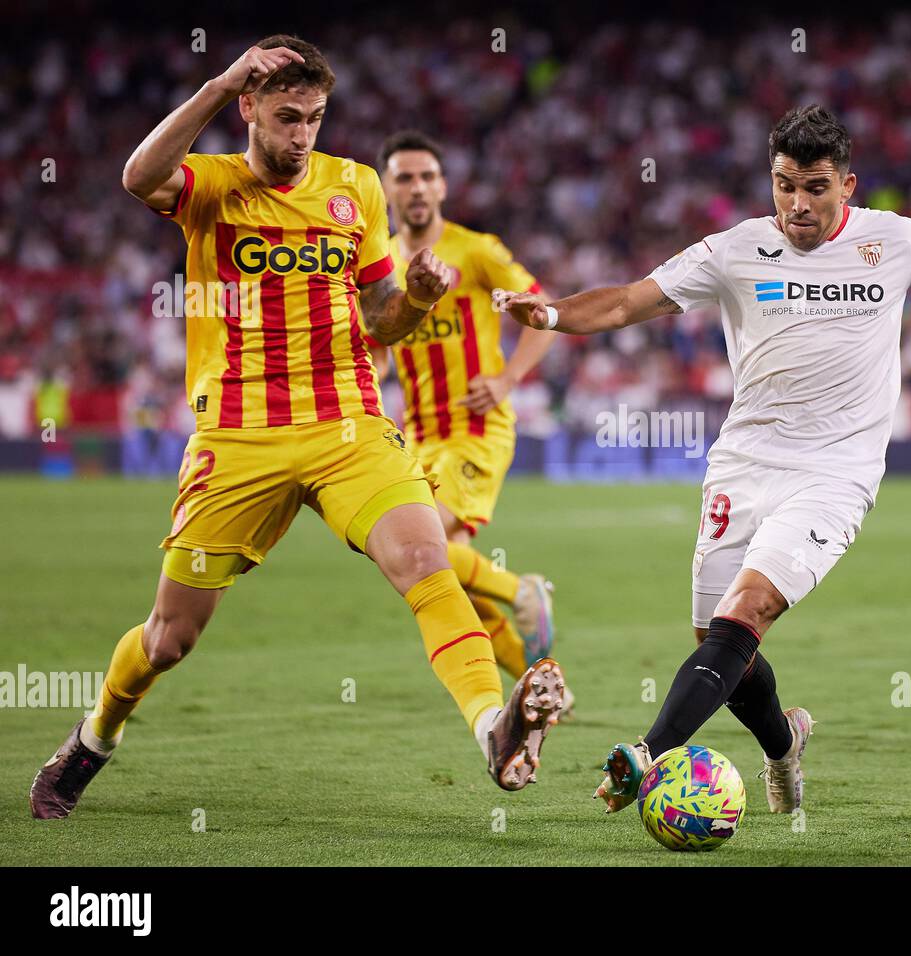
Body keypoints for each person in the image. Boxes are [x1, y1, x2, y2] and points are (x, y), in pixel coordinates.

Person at [498, 104, 911, 816]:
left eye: (815, 187)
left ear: (847, 184)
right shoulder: (734, 249)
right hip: (743, 465)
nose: (797, 204)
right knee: (718, 640)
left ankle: (647, 754)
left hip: (835, 474)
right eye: (784, 185)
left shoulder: (897, 241)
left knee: (746, 612)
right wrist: (555, 315)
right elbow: (630, 301)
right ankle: (784, 743)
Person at [30, 36, 565, 820]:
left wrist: (414, 296)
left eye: (314, 118)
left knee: (427, 561)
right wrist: (219, 80)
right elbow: (138, 176)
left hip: (346, 421)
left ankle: (492, 726)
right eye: (287, 117)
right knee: (169, 638)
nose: (302, 135)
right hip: (239, 433)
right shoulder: (212, 184)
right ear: (249, 107)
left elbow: (382, 317)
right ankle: (95, 736)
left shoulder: (356, 187)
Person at [375, 131, 569, 709]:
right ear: (385, 187)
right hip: (419, 437)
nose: (416, 187)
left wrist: (508, 379)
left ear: (443, 186)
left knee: (417, 545)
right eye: (404, 176)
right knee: (442, 570)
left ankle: (522, 589)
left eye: (427, 176)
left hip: (475, 430)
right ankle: (542, 684)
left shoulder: (475, 250)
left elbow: (541, 312)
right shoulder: (381, 263)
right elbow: (380, 344)